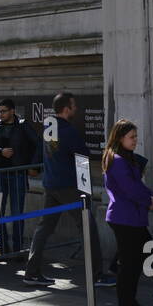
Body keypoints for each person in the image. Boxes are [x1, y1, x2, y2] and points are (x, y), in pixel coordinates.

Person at [24, 92, 108, 288]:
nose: (76, 109)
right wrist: (85, 189)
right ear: (66, 108)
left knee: (44, 228)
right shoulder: (69, 131)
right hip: (69, 186)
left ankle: (32, 271)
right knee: (88, 226)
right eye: (73, 106)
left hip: (51, 183)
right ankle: (97, 274)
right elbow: (82, 158)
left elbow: (53, 153)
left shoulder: (49, 126)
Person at [103, 119, 153, 306]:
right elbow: (130, 189)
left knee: (141, 253)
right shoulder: (117, 160)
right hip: (125, 217)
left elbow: (137, 185)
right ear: (120, 138)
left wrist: (152, 196)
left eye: (136, 137)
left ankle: (130, 302)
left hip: (132, 216)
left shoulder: (126, 159)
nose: (135, 141)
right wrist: (148, 200)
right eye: (132, 137)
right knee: (131, 264)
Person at [0, 98, 36, 257]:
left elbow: (37, 144)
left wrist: (32, 166)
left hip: (18, 173)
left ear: (12, 111)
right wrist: (0, 151)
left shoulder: (22, 125)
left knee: (17, 212)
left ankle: (18, 248)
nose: (0, 114)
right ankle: (2, 246)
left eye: (3, 111)